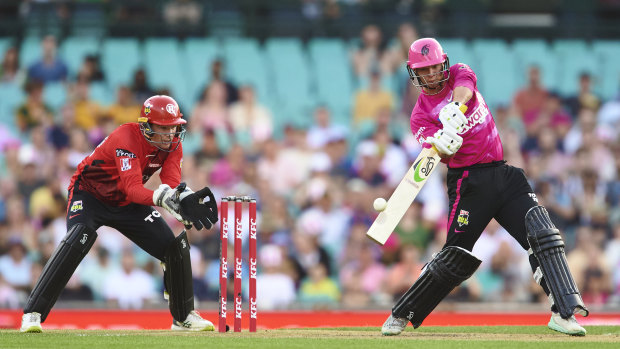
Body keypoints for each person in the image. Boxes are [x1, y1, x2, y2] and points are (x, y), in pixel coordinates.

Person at [380, 38, 589, 337]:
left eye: (436, 67)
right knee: (454, 256)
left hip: (504, 174)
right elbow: (435, 153)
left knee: (543, 235)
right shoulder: (419, 116)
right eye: (424, 71)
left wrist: (455, 107)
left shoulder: (459, 75)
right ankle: (403, 313)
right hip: (468, 183)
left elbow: (465, 87)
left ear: (445, 64)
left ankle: (564, 312)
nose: (433, 75)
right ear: (414, 74)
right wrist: (441, 145)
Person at [20, 95, 219, 333]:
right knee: (77, 238)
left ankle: (184, 317)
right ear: (147, 125)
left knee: (174, 246)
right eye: (163, 128)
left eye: (174, 127)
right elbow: (133, 188)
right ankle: (32, 314)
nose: (170, 134)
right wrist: (160, 198)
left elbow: (170, 183)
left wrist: (180, 196)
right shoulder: (126, 138)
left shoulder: (174, 143)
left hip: (124, 203)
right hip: (89, 194)